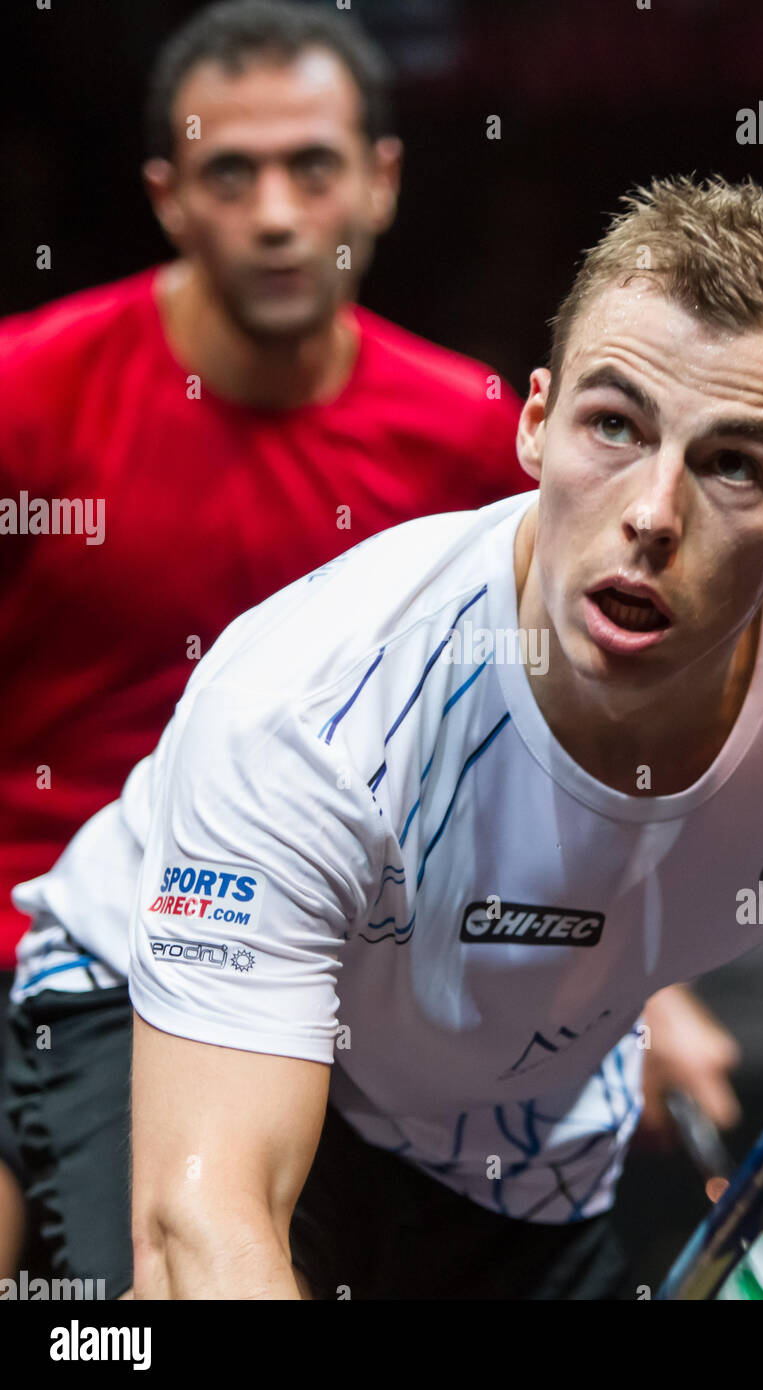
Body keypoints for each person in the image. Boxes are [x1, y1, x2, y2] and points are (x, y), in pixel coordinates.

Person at [12, 173, 763, 1300]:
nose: (652, 514)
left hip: (513, 1113)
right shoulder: (316, 710)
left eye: (733, 464)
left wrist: (627, 992)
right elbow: (205, 1221)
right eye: (613, 424)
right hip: (165, 1005)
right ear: (535, 424)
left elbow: (585, 855)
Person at [0, 0, 529, 1273]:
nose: (279, 213)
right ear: (170, 196)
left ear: (381, 183)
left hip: (319, 965)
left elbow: (538, 751)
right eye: (232, 173)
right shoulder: (22, 399)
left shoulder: (474, 437)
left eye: (313, 166)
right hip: (28, 929)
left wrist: (648, 994)